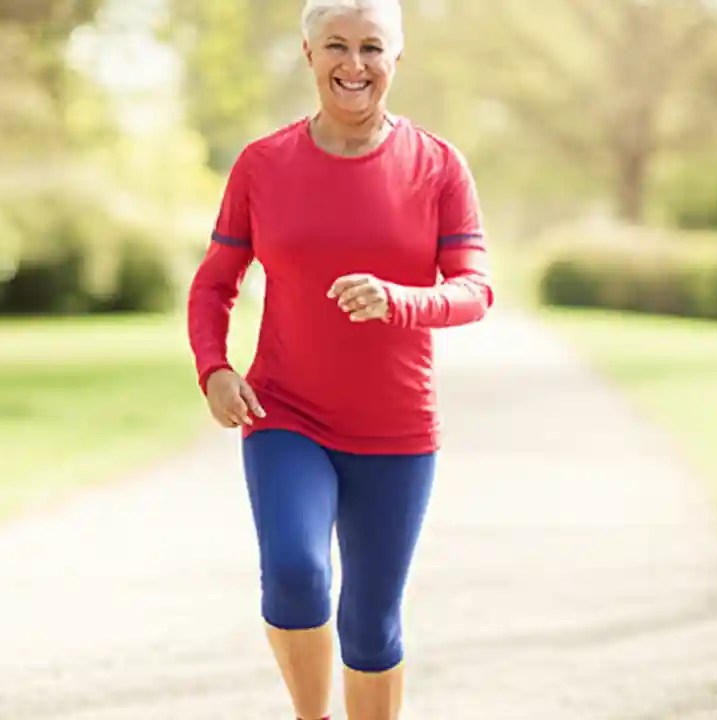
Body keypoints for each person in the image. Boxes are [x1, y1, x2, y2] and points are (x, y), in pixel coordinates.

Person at [186, 0, 493, 717]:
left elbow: (475, 290)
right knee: (294, 572)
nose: (354, 65)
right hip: (285, 411)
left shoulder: (438, 166)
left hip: (396, 428)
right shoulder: (263, 165)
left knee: (370, 621)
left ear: (395, 60)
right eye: (337, 46)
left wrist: (400, 299)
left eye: (371, 49)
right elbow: (215, 283)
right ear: (308, 53)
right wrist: (215, 367)